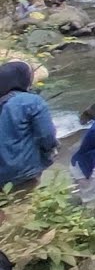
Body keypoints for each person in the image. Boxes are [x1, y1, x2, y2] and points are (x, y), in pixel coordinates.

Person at [0, 62, 56, 190]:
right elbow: (47, 135)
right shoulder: (31, 101)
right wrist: (48, 153)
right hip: (22, 172)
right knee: (22, 207)